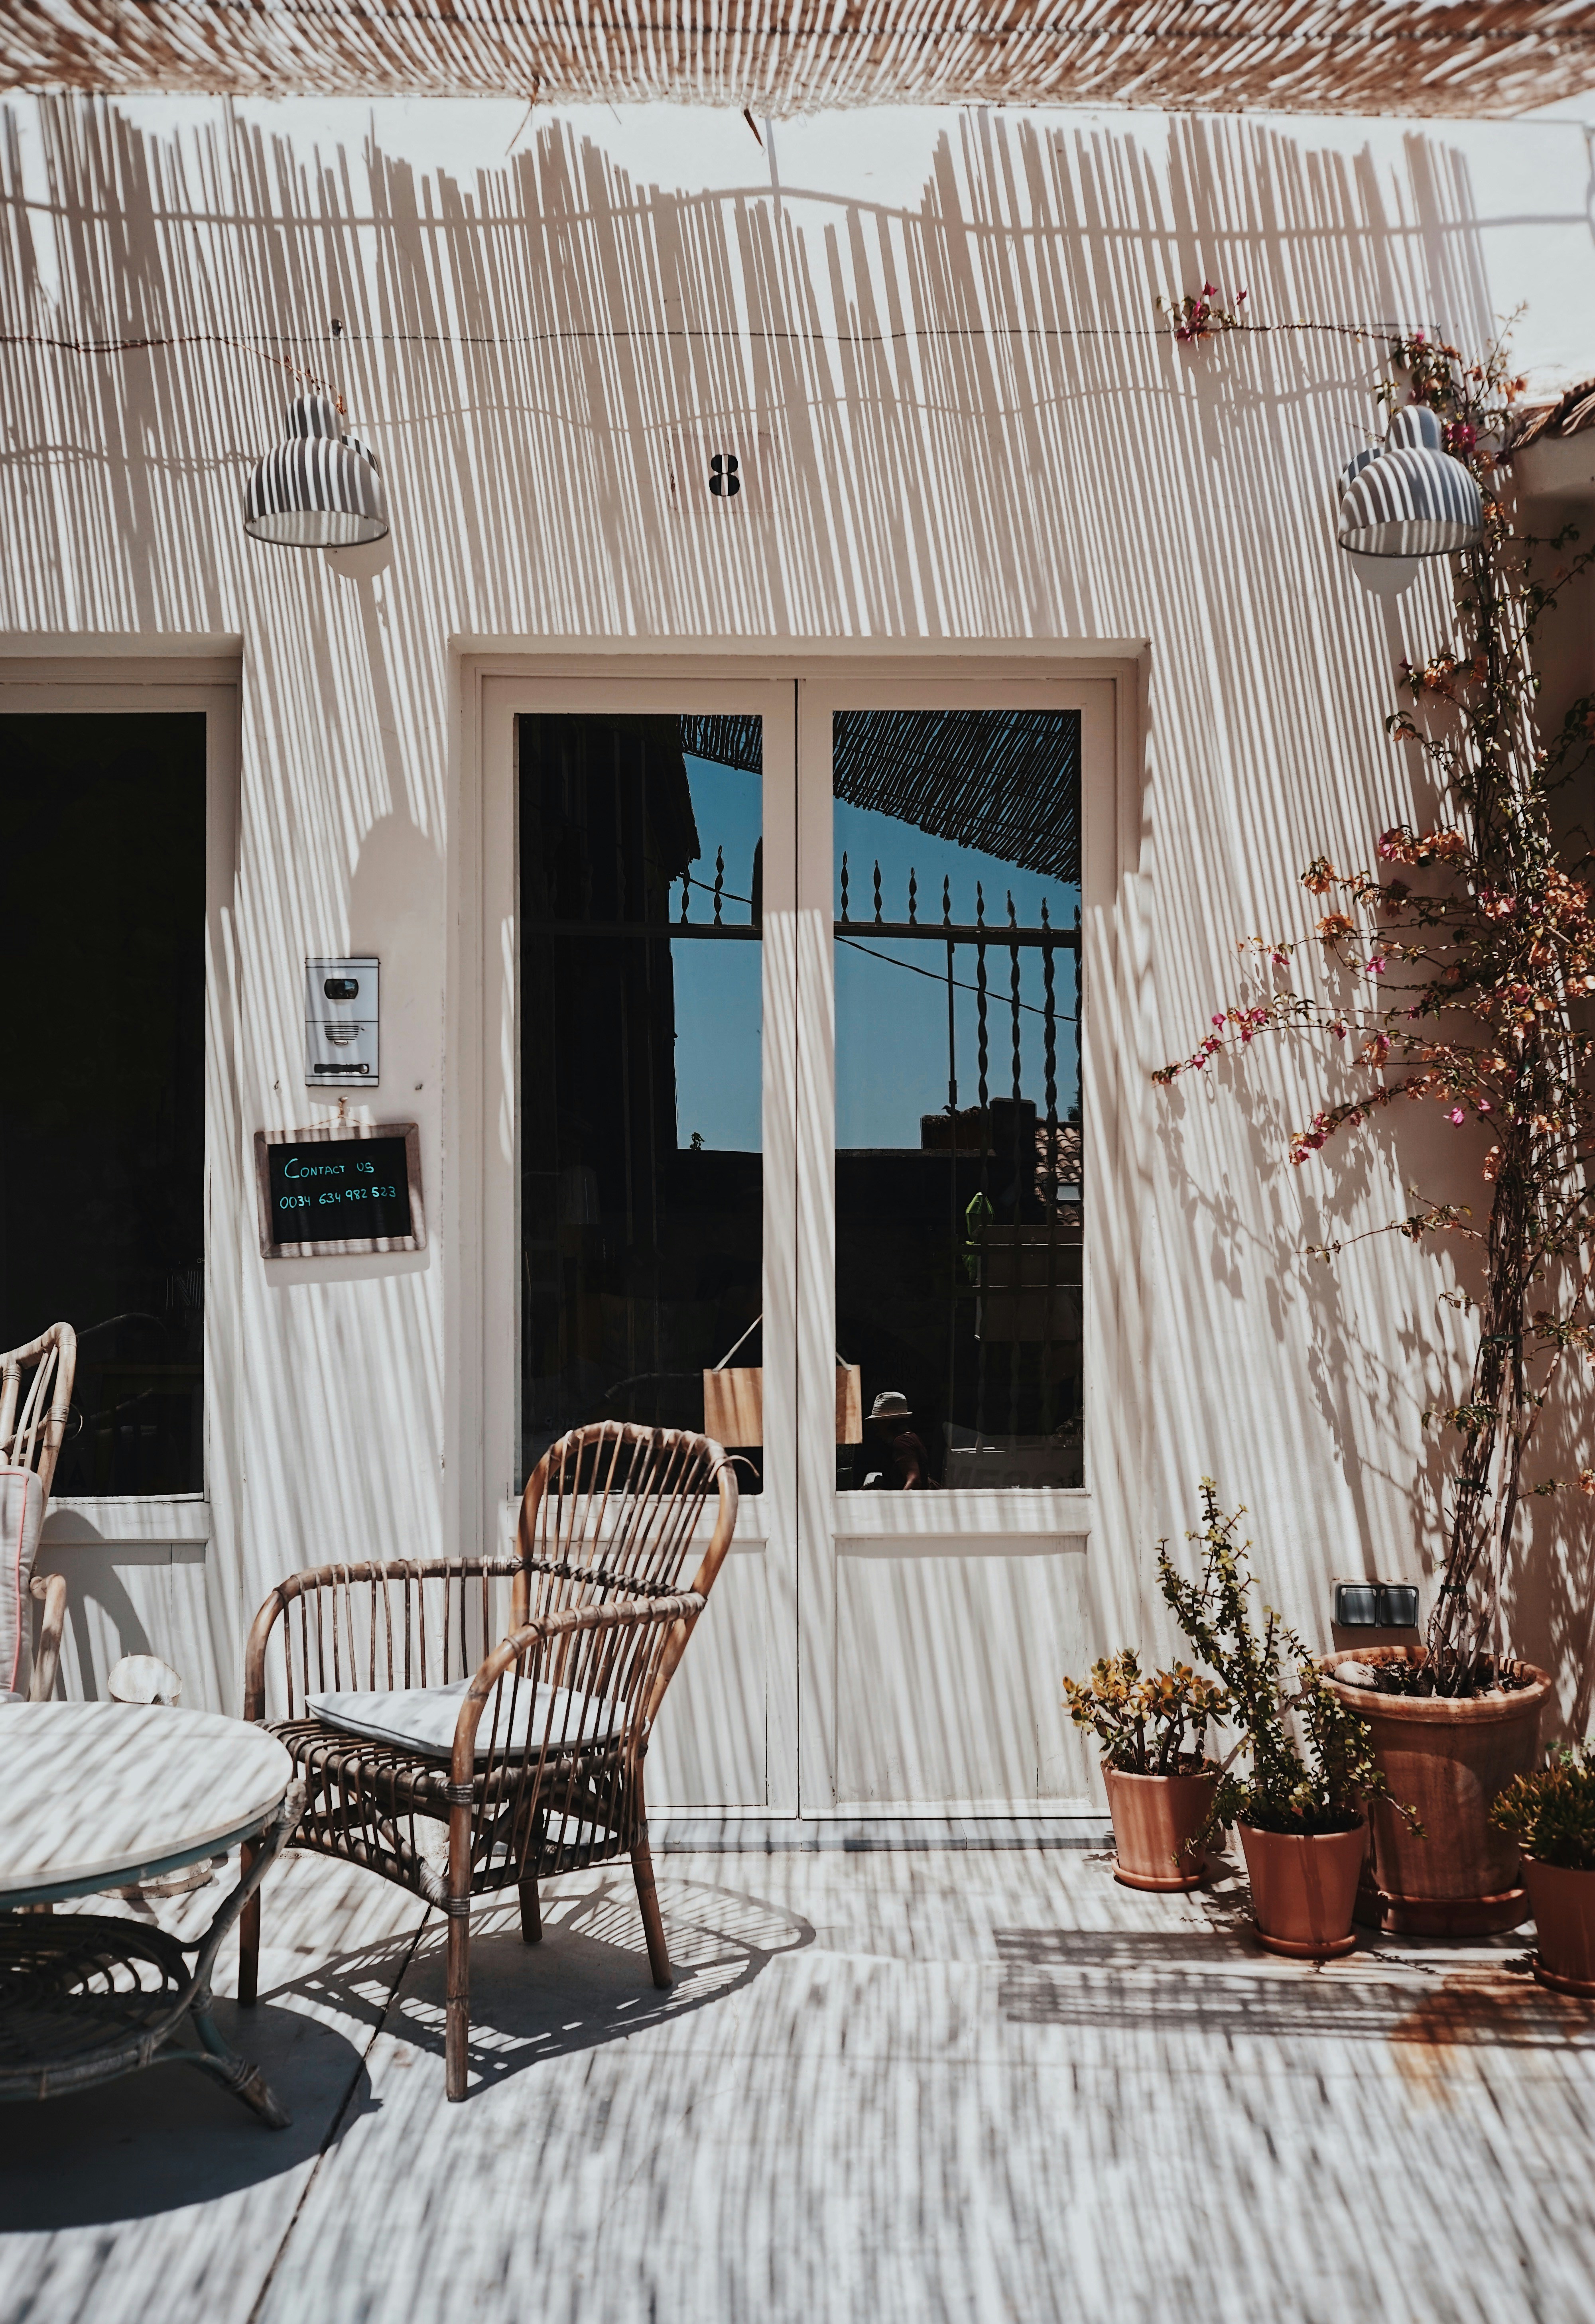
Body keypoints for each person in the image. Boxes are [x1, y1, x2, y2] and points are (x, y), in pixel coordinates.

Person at [862, 1390, 927, 1490]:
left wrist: (900, 1502)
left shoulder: (901, 1442)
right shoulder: (911, 1437)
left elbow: (914, 1481)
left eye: (878, 1422)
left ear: (887, 1422)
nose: (876, 1426)